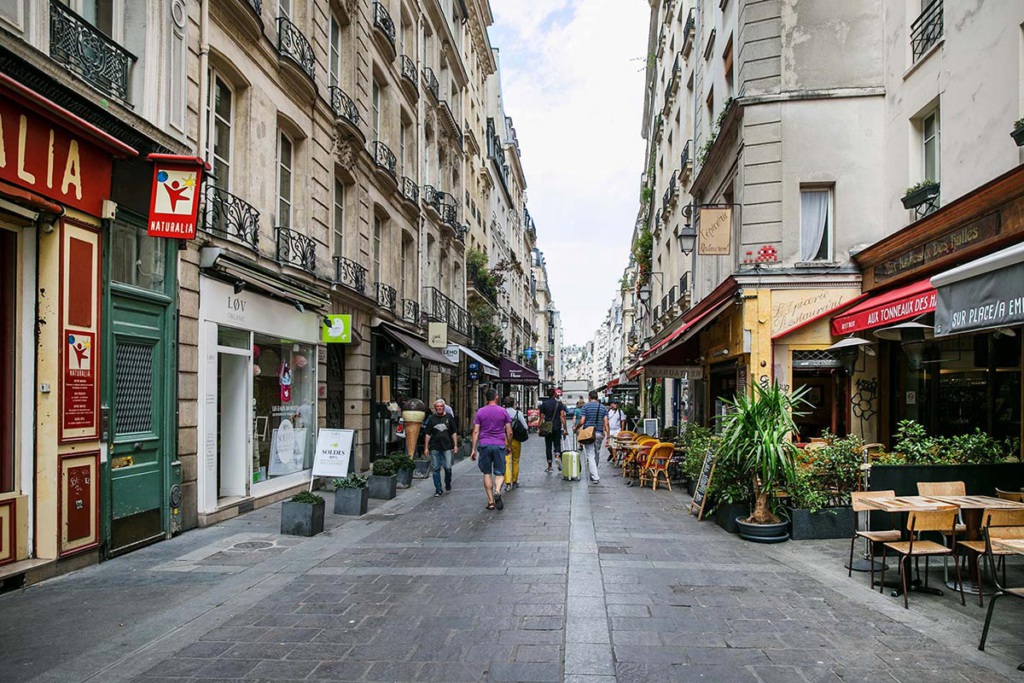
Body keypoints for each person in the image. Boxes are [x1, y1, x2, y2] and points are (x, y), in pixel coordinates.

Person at [470, 389, 512, 511]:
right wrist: (508, 445)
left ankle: (490, 501)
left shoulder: (480, 412)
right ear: (497, 397)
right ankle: (498, 490)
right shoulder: (503, 411)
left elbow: (476, 431)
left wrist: (473, 449)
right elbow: (509, 431)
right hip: (499, 444)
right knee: (500, 472)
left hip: (484, 445)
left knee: (487, 472)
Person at [423, 398, 458, 497]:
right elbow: (428, 434)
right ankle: (438, 489)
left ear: (444, 408)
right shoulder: (432, 419)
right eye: (437, 406)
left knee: (448, 467)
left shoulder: (449, 417)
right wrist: (426, 447)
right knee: (436, 468)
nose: (439, 408)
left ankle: (447, 482)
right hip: (435, 447)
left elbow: (453, 432)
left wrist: (455, 445)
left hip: (447, 447)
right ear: (435, 408)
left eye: (441, 406)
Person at [575, 390, 609, 483]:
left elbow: (582, 421)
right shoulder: (603, 407)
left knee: (590, 454)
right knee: (596, 453)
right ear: (597, 397)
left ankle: (595, 476)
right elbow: (606, 422)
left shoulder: (586, 406)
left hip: (588, 434)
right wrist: (608, 435)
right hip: (599, 433)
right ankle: (594, 471)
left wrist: (576, 428)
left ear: (589, 397)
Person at [538, 387, 567, 472]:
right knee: (557, 443)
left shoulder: (544, 404)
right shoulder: (559, 404)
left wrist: (539, 427)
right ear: (554, 394)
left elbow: (542, 417)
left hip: (547, 427)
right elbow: (562, 416)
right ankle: (557, 456)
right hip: (557, 426)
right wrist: (565, 428)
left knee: (548, 446)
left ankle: (550, 466)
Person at [504, 396, 529, 490]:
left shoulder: (502, 412)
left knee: (506, 461)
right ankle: (514, 481)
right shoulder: (518, 413)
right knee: (515, 460)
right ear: (513, 403)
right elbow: (526, 427)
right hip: (516, 440)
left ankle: (507, 482)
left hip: (504, 439)